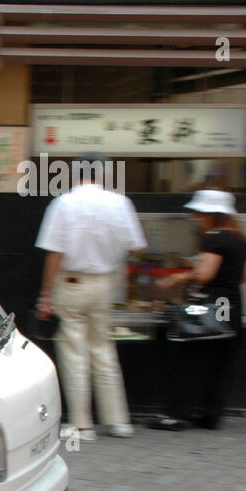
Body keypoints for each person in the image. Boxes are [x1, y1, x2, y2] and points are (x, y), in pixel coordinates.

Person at [35, 158, 146, 441]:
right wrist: (117, 272)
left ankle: (83, 425)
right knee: (104, 351)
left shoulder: (63, 204)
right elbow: (137, 247)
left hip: (72, 284)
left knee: (74, 353)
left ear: (75, 174)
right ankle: (118, 421)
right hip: (104, 286)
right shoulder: (121, 203)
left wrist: (45, 295)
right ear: (105, 174)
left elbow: (55, 253)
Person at [149, 190, 246, 431]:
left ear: (210, 214)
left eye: (198, 213)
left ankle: (176, 415)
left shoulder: (214, 237)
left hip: (208, 306)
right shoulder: (241, 239)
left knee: (187, 359)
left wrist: (180, 277)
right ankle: (209, 414)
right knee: (219, 362)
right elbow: (244, 277)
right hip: (232, 306)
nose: (195, 217)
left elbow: (205, 274)